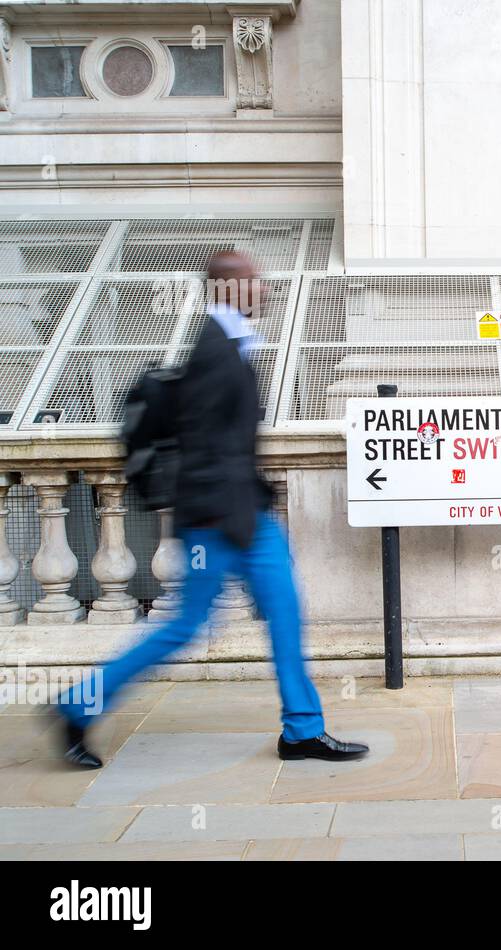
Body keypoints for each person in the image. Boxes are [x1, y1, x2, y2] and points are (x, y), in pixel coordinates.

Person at [56, 251, 368, 768]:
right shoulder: (214, 351)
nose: (264, 289)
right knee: (186, 628)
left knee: (285, 612)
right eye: (253, 282)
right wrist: (226, 521)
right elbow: (201, 447)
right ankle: (77, 706)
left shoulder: (232, 345)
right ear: (229, 288)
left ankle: (303, 731)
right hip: (219, 522)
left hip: (243, 515)